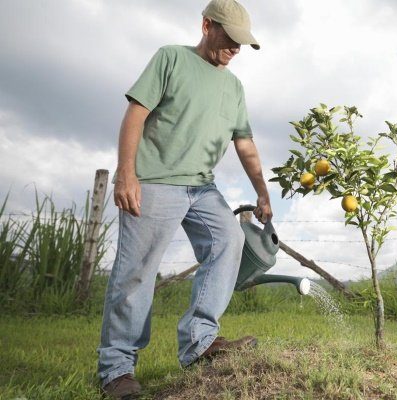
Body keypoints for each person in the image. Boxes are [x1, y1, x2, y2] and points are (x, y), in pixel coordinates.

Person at [97, 0, 272, 397]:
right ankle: (117, 369)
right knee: (137, 272)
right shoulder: (170, 58)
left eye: (242, 43)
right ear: (207, 25)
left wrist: (262, 190)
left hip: (202, 186)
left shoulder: (234, 86)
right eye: (230, 38)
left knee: (230, 239)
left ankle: (200, 342)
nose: (236, 49)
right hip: (155, 180)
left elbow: (244, 143)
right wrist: (126, 173)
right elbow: (136, 114)